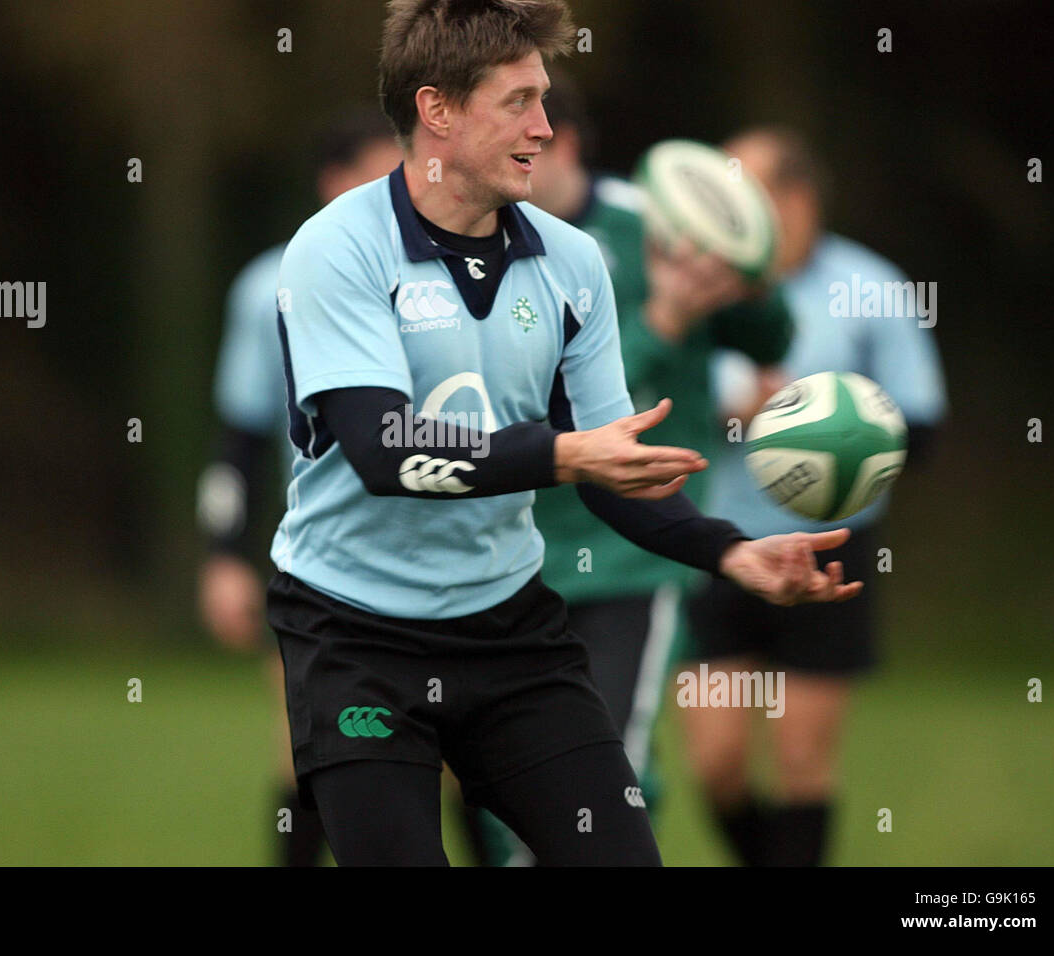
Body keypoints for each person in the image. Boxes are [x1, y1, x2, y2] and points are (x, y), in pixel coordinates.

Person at [266, 0, 860, 867]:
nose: (546, 128)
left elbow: (612, 466)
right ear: (437, 111)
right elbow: (385, 450)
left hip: (507, 631)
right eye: (518, 102)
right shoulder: (337, 249)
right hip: (353, 636)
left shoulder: (573, 262)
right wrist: (561, 451)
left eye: (544, 100)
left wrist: (732, 552)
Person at [478, 73, 794, 865]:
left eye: (527, 141)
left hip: (635, 554)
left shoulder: (657, 223)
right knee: (498, 777)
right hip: (509, 554)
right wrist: (664, 319)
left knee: (606, 769)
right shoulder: (486, 243)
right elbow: (555, 402)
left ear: (567, 142)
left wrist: (741, 271)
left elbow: (770, 333)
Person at [682, 126, 947, 866]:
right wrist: (733, 415)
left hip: (828, 550)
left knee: (800, 759)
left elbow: (923, 429)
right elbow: (650, 411)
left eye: (743, 188)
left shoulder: (873, 285)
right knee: (718, 765)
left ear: (792, 198)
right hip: (715, 546)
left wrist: (828, 426)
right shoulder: (699, 287)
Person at [197, 108, 400, 866]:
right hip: (320, 561)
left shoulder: (438, 279)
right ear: (332, 183)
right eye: (377, 174)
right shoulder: (269, 287)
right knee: (310, 757)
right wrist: (222, 554)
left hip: (441, 557)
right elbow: (238, 441)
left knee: (459, 767)